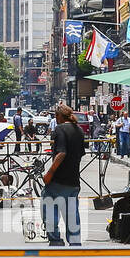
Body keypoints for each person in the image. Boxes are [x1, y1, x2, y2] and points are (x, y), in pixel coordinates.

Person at [43, 103, 85, 246]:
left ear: (59, 116)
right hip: (73, 180)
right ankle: (75, 241)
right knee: (72, 212)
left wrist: (50, 172)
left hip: (58, 179)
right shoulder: (79, 130)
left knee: (49, 206)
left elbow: (61, 153)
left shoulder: (60, 129)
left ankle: (55, 239)